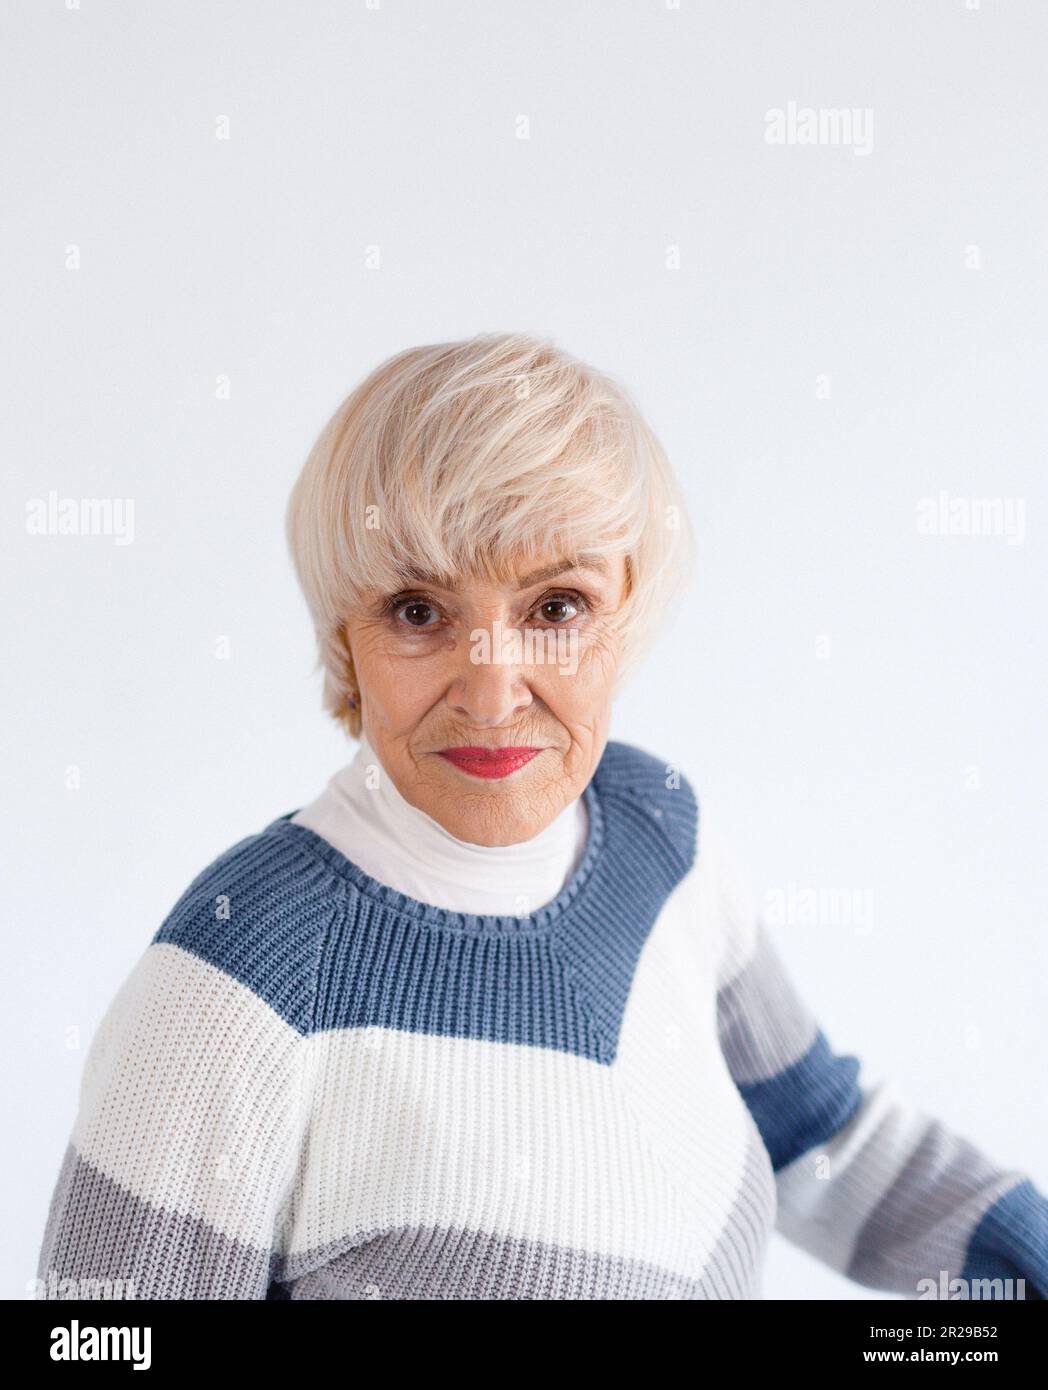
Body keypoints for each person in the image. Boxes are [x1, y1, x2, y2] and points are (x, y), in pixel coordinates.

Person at [36, 332, 1047, 1299]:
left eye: (554, 607)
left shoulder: (661, 838)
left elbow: (823, 1146)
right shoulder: (241, 974)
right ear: (345, 637)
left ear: (625, 616)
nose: (491, 692)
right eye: (418, 612)